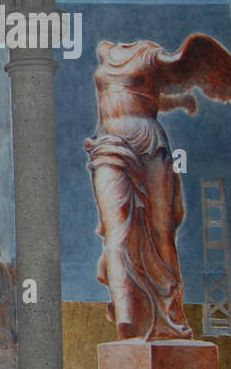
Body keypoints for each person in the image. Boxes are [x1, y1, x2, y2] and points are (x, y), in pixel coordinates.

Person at [87, 35, 231, 339]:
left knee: (160, 230)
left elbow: (146, 94)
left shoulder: (152, 55)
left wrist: (178, 99)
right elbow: (126, 93)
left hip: (149, 144)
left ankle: (170, 313)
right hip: (109, 145)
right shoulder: (105, 52)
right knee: (117, 231)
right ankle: (126, 315)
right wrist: (178, 100)